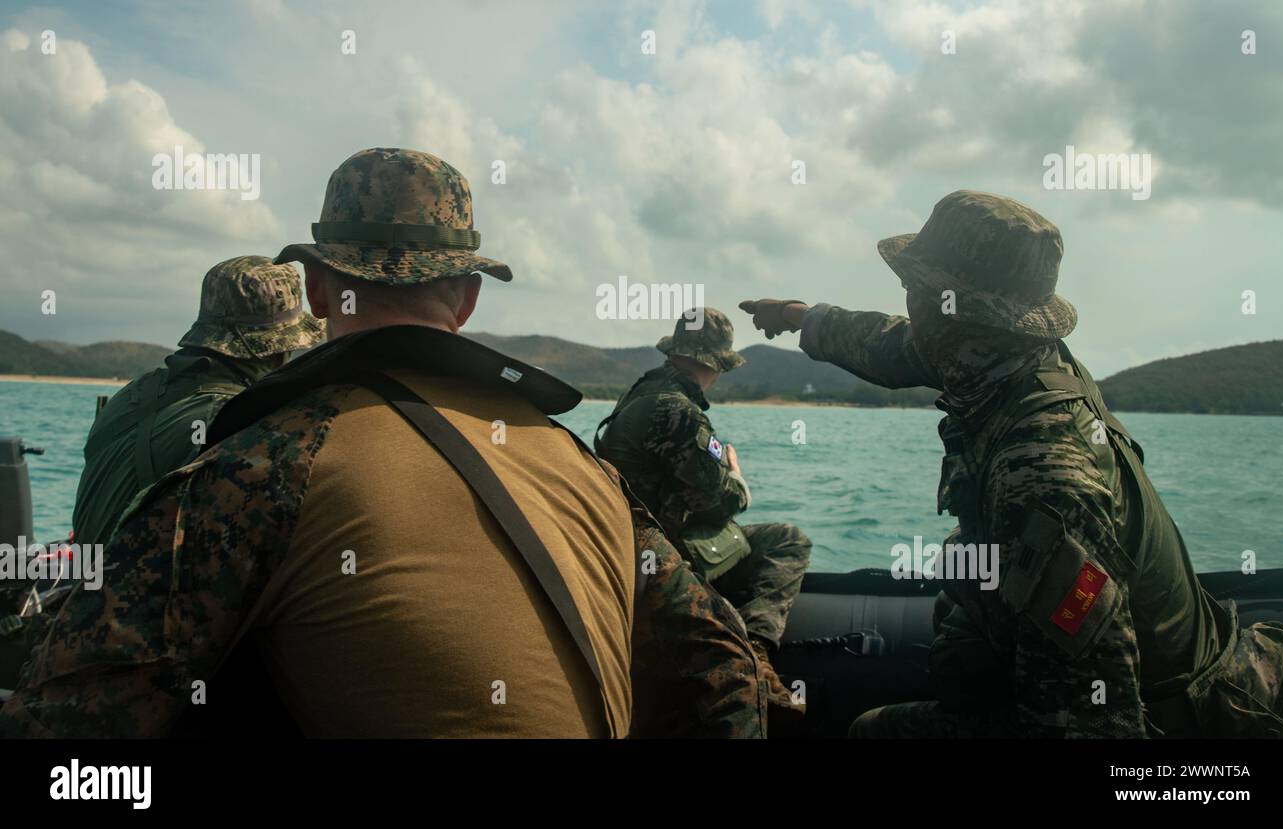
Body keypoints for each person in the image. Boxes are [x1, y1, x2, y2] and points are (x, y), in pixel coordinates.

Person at [0, 148, 763, 739]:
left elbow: (65, 728)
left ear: (319, 289)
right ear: (467, 299)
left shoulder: (261, 466)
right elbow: (726, 662)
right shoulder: (581, 465)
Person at [741, 190, 1283, 737]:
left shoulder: (1044, 476)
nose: (907, 301)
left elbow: (1089, 724)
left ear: (948, 308)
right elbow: (893, 345)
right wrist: (799, 316)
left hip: (1165, 723)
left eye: (912, 287)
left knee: (871, 731)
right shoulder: (1007, 353)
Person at [595, 307, 811, 719]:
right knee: (788, 541)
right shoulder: (678, 410)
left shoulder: (642, 392)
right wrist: (738, 480)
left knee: (780, 539)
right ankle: (757, 652)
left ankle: (756, 650)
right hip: (663, 551)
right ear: (715, 365)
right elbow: (717, 500)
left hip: (637, 539)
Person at [70, 256, 323, 548]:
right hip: (142, 575)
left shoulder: (131, 394)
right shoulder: (236, 418)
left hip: (87, 572)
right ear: (276, 350)